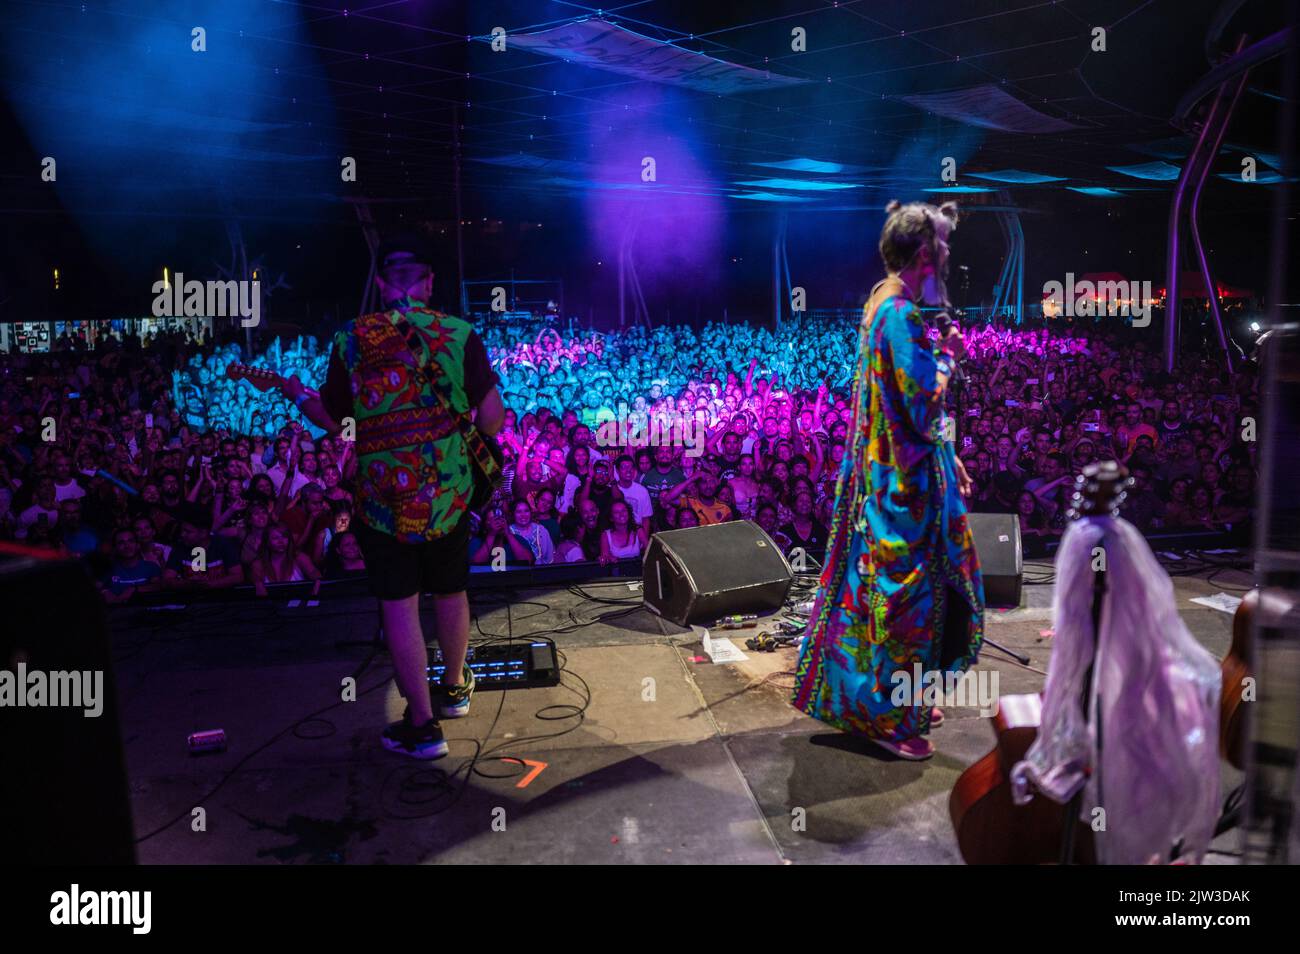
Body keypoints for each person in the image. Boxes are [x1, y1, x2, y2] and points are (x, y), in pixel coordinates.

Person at [284, 237, 504, 760]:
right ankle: (453, 691)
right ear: (429, 285)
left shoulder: (352, 338)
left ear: (383, 287)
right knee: (450, 591)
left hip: (384, 499)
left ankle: (423, 728)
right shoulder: (458, 334)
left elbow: (339, 422)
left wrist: (295, 395)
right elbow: (493, 419)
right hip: (448, 493)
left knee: (400, 605)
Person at [792, 200, 984, 761]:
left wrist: (950, 455)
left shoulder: (884, 300)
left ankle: (901, 697)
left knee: (884, 594)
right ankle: (886, 717)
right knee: (905, 601)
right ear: (926, 253)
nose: (948, 255)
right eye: (944, 245)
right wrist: (947, 359)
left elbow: (901, 413)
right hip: (902, 492)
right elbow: (921, 404)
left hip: (894, 479)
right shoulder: (900, 316)